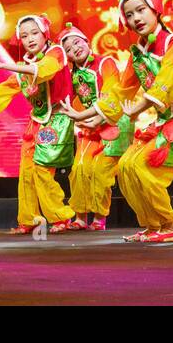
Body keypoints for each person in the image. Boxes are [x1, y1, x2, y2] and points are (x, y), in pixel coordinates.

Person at [60, 0, 173, 244]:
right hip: (166, 120)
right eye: (129, 15)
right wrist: (88, 115)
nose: (135, 18)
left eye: (141, 10)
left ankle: (169, 225)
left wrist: (140, 107)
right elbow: (120, 91)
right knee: (127, 165)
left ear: (155, 10)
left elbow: (168, 82)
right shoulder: (137, 53)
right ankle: (152, 225)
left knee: (144, 167)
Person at [0, 14, 77, 235]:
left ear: (45, 33)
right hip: (37, 120)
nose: (30, 39)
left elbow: (44, 70)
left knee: (42, 169)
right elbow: (4, 90)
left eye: (34, 33)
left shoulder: (56, 53)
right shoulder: (24, 65)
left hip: (58, 118)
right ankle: (29, 219)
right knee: (26, 171)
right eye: (24, 36)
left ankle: (59, 216)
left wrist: (3, 65)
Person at [58, 22, 128, 232]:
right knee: (79, 167)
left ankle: (99, 217)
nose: (75, 49)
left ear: (87, 41)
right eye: (68, 49)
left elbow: (111, 93)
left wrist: (92, 116)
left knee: (100, 171)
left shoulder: (105, 62)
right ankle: (80, 216)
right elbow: (66, 97)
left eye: (77, 43)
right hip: (89, 125)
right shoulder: (71, 73)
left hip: (112, 122)